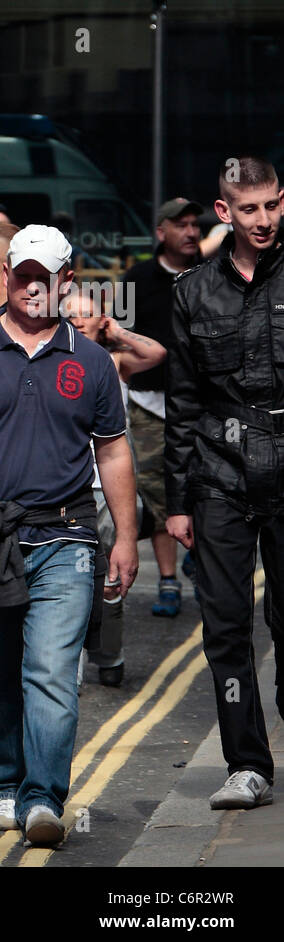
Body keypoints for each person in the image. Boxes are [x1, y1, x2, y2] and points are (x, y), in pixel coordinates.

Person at [0, 224, 139, 847]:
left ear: (66, 279)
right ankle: (6, 784)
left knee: (49, 669)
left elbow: (114, 453)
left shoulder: (92, 361)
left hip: (67, 537)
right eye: (23, 275)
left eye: (46, 277)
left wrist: (124, 538)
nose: (33, 287)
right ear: (7, 274)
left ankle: (44, 797)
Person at [165, 155, 284, 812]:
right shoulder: (192, 291)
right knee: (226, 626)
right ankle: (246, 765)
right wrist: (178, 503)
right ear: (224, 213)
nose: (262, 220)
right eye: (249, 209)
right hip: (221, 470)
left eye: (271, 206)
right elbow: (183, 402)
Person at [62, 289, 166, 687]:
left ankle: (108, 654)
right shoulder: (55, 356)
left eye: (86, 315)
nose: (78, 322)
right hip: (69, 487)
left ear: (100, 319)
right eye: (70, 315)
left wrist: (118, 333)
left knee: (107, 581)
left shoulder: (113, 360)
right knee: (68, 578)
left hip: (108, 489)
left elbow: (156, 354)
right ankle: (66, 664)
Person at [121, 198, 203, 618]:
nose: (191, 232)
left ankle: (199, 559)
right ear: (161, 232)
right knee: (157, 494)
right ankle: (168, 580)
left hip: (203, 404)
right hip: (150, 404)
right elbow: (118, 336)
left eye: (195, 224)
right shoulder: (137, 278)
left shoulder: (212, 274)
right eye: (181, 224)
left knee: (206, 489)